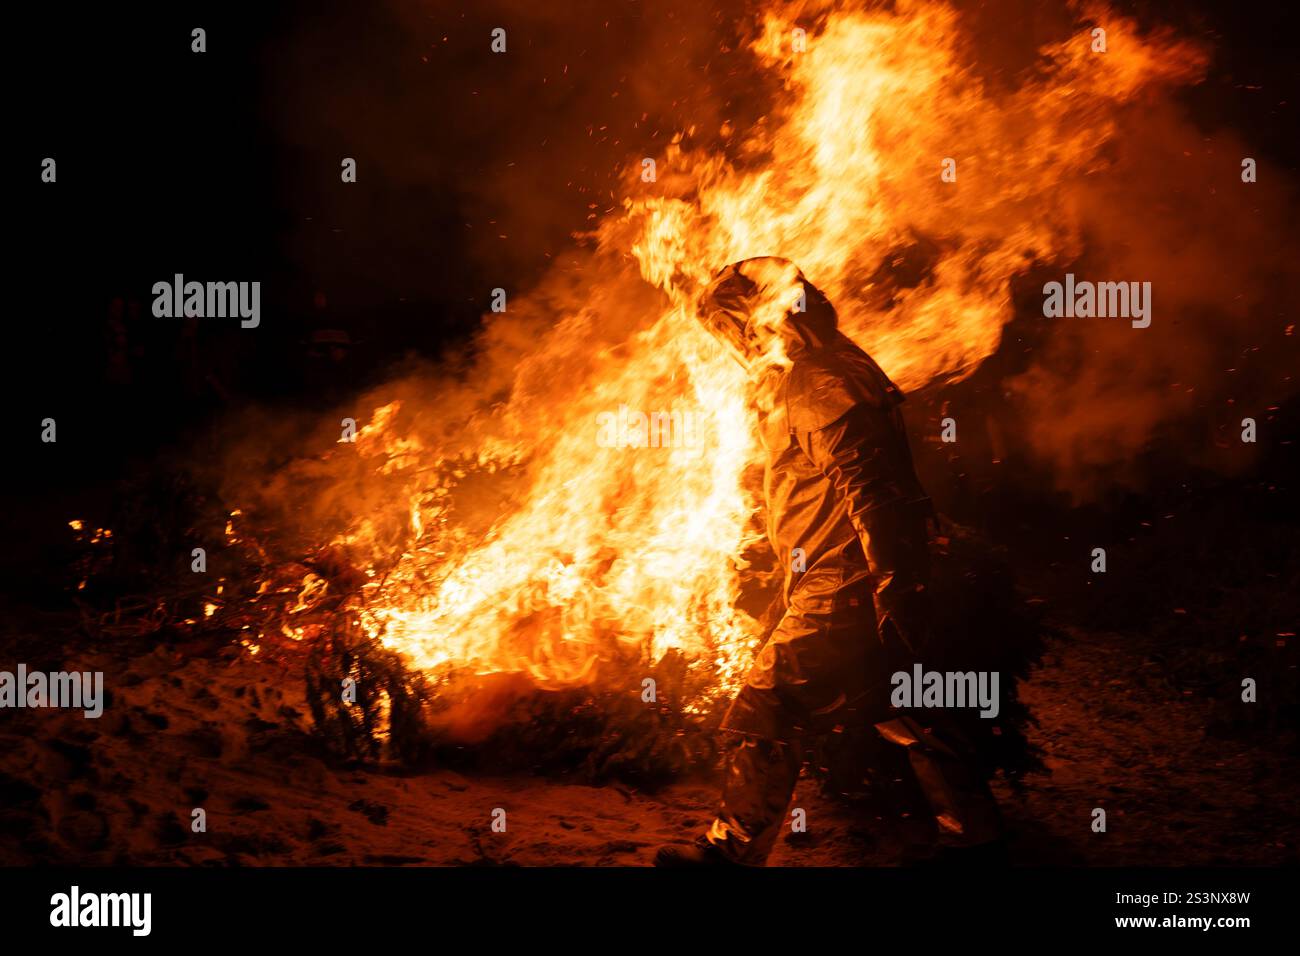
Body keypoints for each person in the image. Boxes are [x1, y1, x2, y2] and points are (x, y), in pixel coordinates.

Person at [656, 257, 1003, 866]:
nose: (731, 343)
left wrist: (892, 589)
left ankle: (728, 856)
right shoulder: (830, 366)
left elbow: (873, 492)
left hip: (844, 579)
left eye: (732, 327)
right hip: (843, 573)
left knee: (768, 701)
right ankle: (973, 839)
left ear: (764, 319)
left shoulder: (819, 380)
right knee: (904, 706)